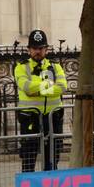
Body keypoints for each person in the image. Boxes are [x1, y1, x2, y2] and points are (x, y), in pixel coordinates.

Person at [14, 30, 67, 172]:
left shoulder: (55, 67)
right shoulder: (21, 67)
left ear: (46, 49)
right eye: (35, 48)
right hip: (30, 119)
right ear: (29, 50)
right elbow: (26, 88)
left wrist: (36, 90)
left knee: (52, 160)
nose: (38, 51)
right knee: (28, 160)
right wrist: (49, 88)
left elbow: (62, 87)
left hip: (52, 118)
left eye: (41, 48)